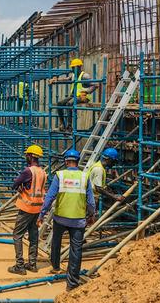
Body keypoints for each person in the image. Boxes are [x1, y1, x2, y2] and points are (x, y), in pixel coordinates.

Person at [38, 149, 95, 291]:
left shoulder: (60, 175)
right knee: (76, 250)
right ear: (77, 161)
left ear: (66, 161)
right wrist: (91, 215)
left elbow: (49, 197)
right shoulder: (84, 177)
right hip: (78, 220)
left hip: (60, 218)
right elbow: (91, 202)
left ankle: (56, 267)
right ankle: (72, 283)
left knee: (56, 243)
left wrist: (42, 214)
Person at [8, 144, 47, 275]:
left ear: (30, 156)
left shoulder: (28, 171)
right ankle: (32, 263)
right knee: (33, 236)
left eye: (27, 155)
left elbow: (14, 184)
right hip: (37, 209)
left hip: (26, 208)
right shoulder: (43, 172)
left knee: (17, 235)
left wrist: (19, 186)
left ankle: (19, 265)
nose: (26, 157)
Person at [50, 58, 98, 131]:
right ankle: (62, 124)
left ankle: (69, 125)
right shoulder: (73, 75)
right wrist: (56, 79)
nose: (72, 69)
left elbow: (95, 85)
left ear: (78, 67)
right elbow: (67, 79)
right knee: (59, 103)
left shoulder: (85, 76)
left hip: (83, 97)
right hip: (73, 96)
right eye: (72, 68)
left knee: (69, 103)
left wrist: (86, 92)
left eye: (73, 67)